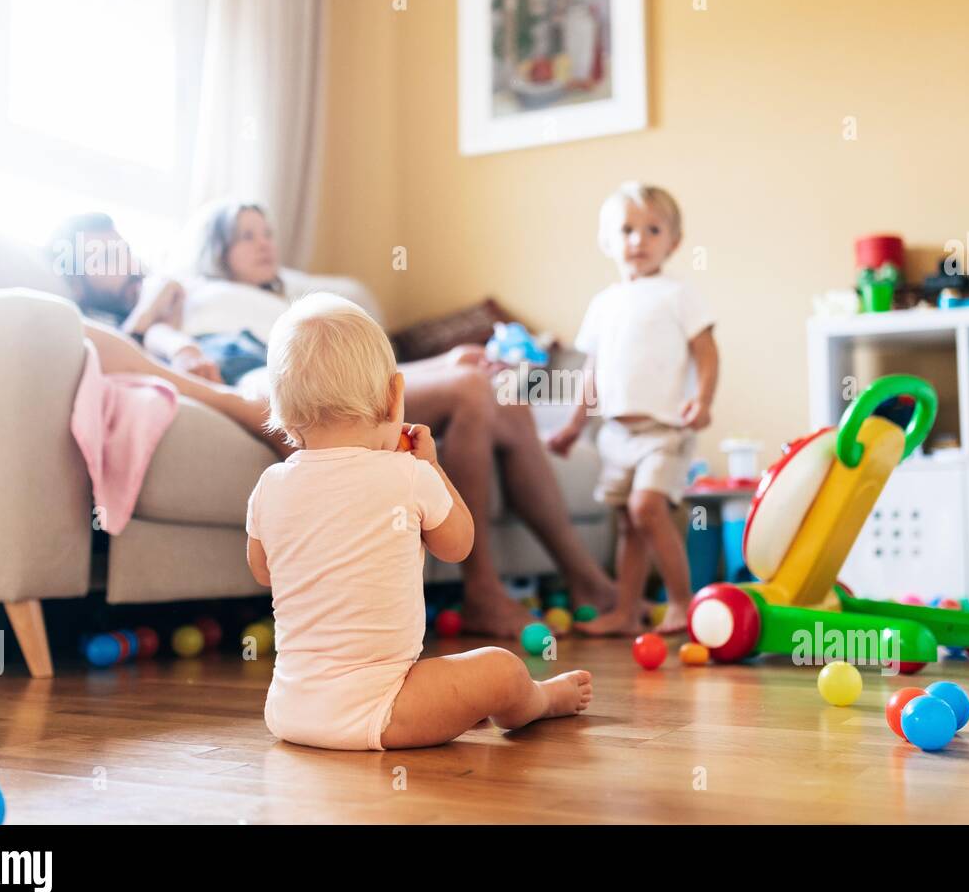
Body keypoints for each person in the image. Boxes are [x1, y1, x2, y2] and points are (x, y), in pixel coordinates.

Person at [144, 199, 618, 636]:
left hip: (338, 373)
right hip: (279, 383)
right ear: (216, 248)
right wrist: (179, 342)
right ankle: (485, 593)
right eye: (247, 235)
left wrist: (451, 358)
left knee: (482, 375)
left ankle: (584, 578)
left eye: (266, 232)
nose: (264, 242)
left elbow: (352, 366)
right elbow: (144, 330)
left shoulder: (284, 296)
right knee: (473, 388)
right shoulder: (190, 291)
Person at [245, 293, 592, 750]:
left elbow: (263, 571)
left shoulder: (270, 485)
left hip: (288, 710)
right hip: (380, 711)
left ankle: (449, 708)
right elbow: (459, 545)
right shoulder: (408, 473)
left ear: (283, 414)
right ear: (395, 398)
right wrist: (432, 468)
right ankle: (538, 701)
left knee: (447, 679)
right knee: (501, 668)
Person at [547, 183, 719, 635]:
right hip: (616, 435)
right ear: (607, 241)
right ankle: (626, 611)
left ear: (674, 242)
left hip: (663, 431)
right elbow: (592, 372)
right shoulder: (604, 303)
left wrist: (702, 399)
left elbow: (706, 351)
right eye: (626, 230)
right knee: (627, 523)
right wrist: (572, 426)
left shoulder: (677, 293)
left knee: (647, 509)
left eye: (652, 229)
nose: (638, 240)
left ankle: (682, 602)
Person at [46, 213, 284, 454]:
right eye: (107, 259)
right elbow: (124, 353)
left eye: (125, 252)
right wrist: (145, 314)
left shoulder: (162, 292)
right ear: (76, 283)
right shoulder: (90, 323)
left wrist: (175, 335)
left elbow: (161, 333)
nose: (129, 266)